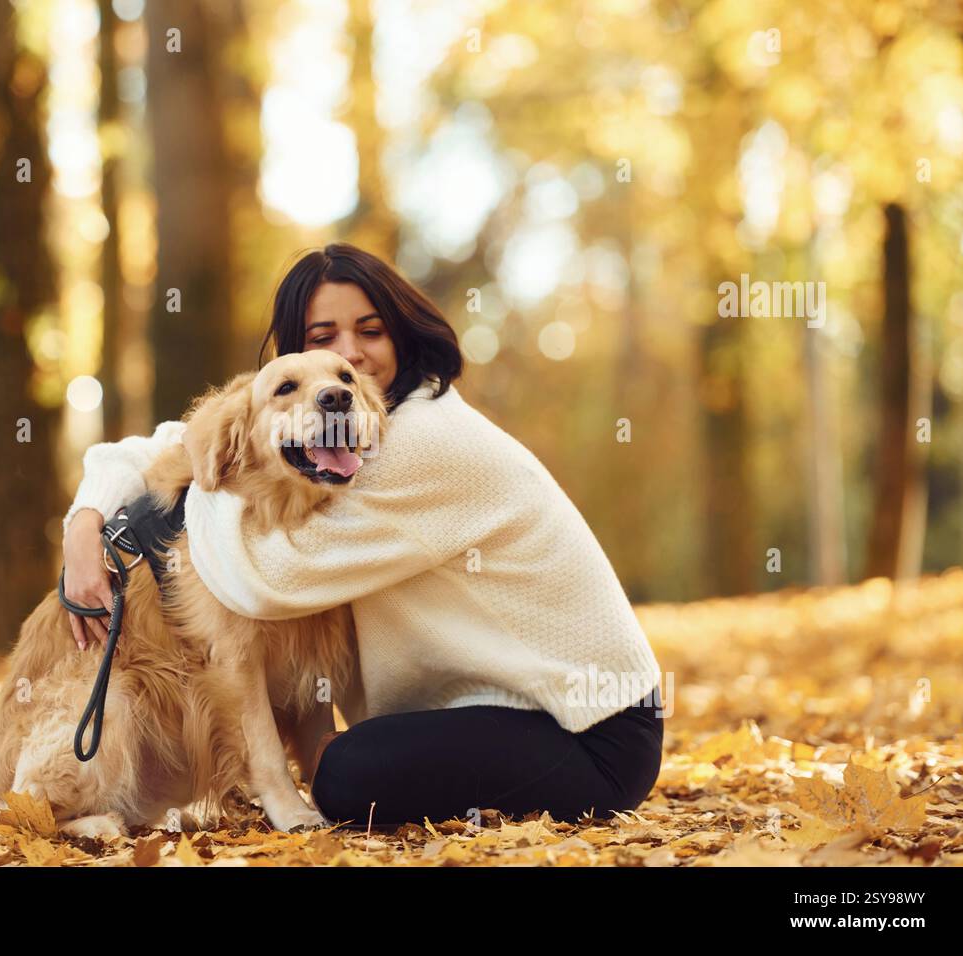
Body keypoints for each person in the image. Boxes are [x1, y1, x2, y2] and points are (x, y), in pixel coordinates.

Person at [61, 243, 665, 829]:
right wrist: (85, 522)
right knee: (352, 762)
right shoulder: (344, 427)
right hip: (522, 711)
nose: (349, 356)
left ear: (401, 334)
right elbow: (156, 445)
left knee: (350, 773)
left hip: (594, 730)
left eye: (370, 332)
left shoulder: (419, 442)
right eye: (323, 339)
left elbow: (264, 579)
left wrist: (213, 470)